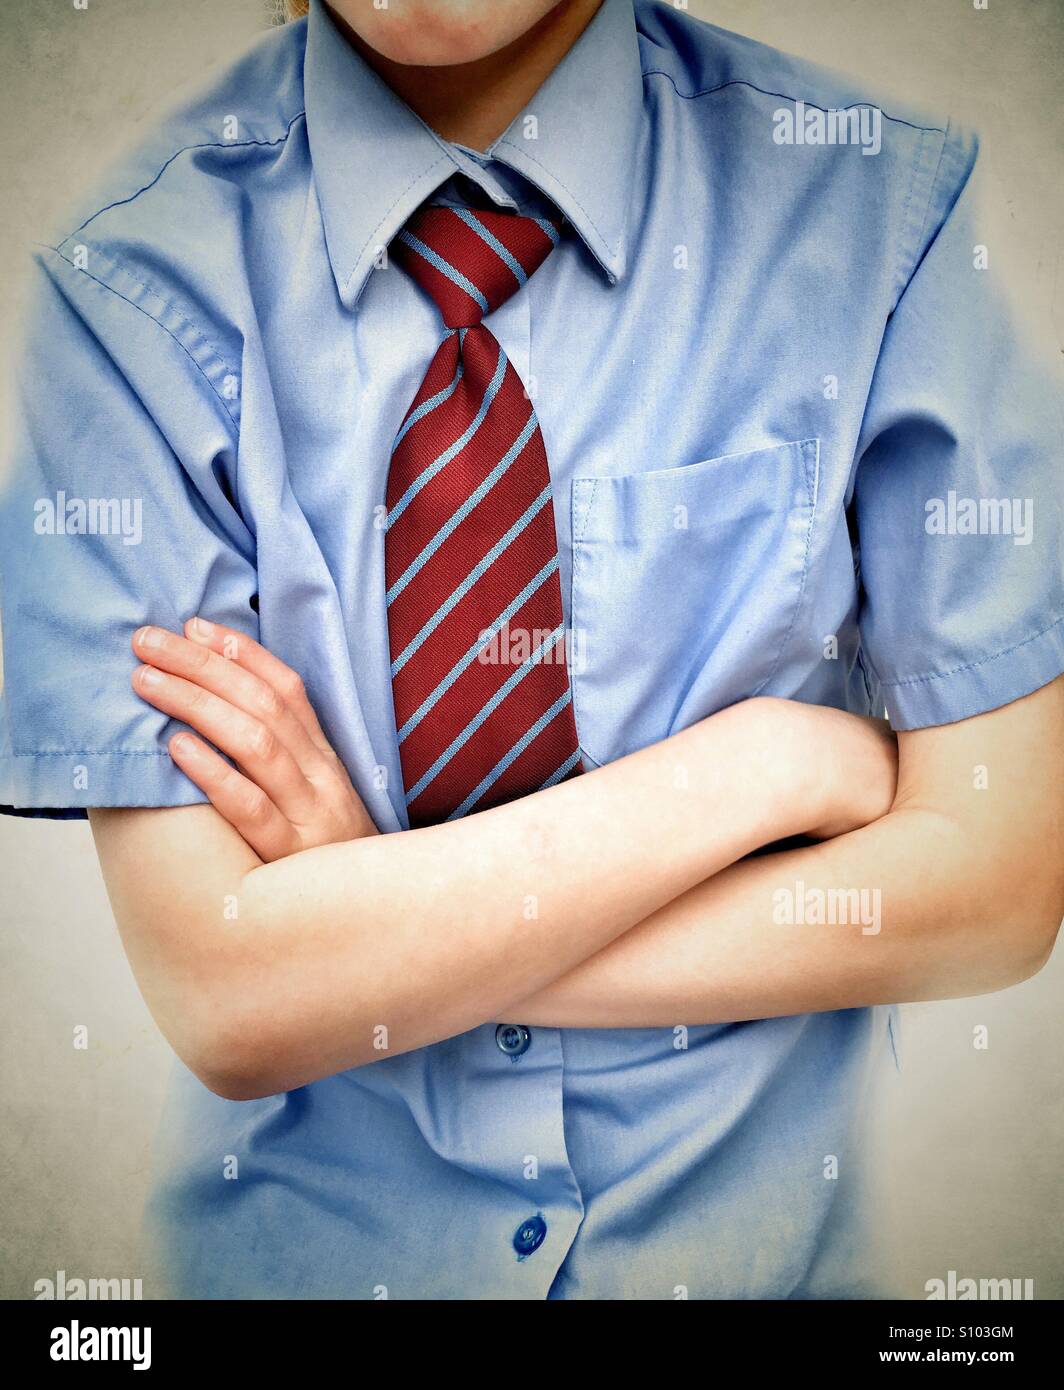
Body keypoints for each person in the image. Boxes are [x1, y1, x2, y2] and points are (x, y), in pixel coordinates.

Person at [1, 0, 1061, 1299]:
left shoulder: (884, 206)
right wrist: (762, 768)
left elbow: (998, 886)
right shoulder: (123, 291)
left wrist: (377, 915)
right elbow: (231, 992)